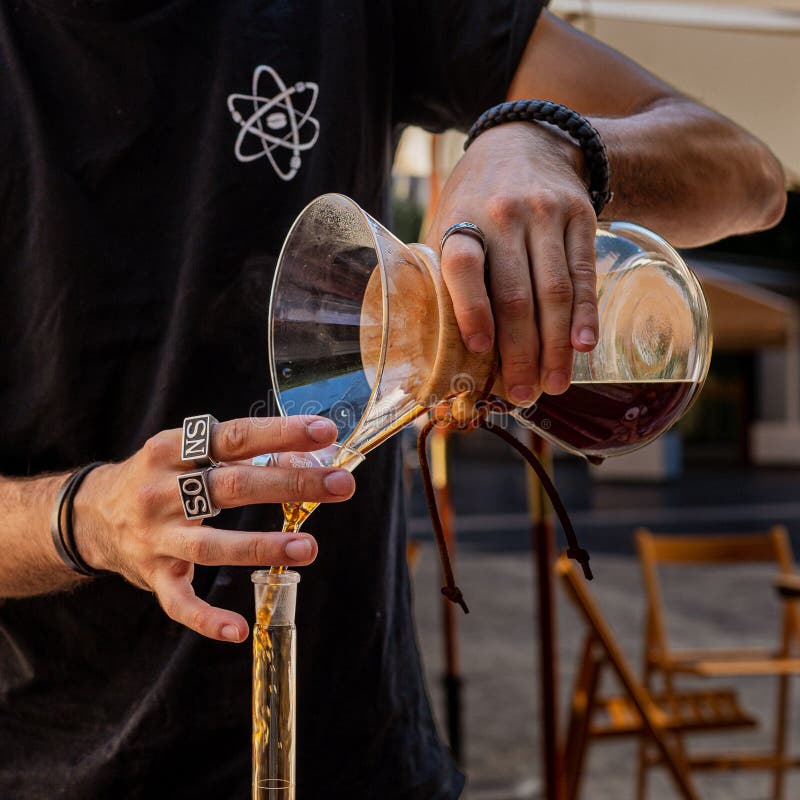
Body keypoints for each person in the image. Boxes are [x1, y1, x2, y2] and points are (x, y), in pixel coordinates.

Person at [0, 2, 785, 798]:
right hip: (61, 768)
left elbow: (750, 176)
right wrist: (85, 516)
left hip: (368, 764)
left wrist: (550, 140)